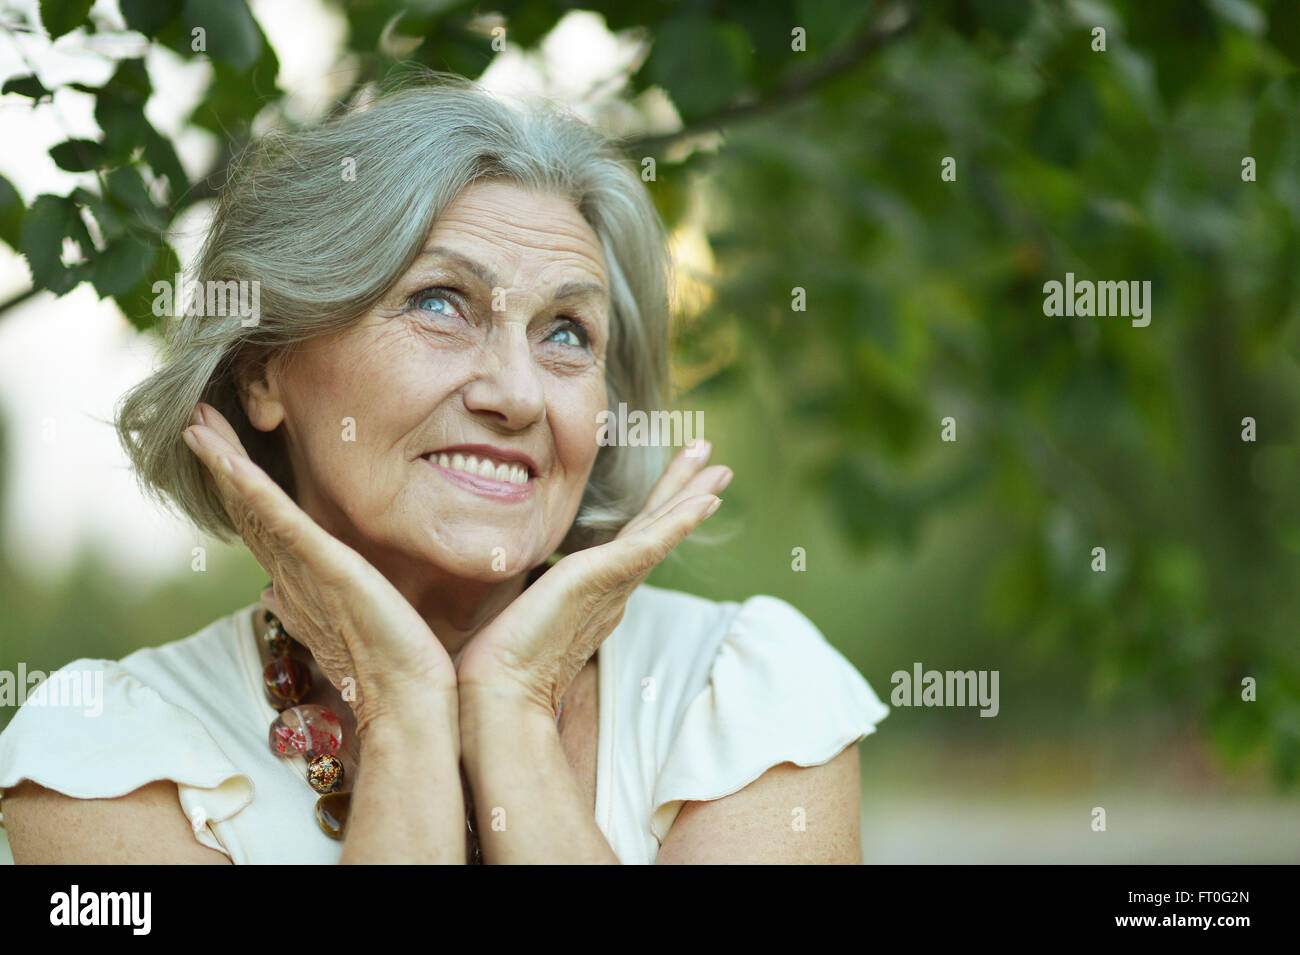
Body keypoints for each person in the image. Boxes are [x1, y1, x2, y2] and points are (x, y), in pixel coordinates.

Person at [0, 75, 888, 864]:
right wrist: (402, 709)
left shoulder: (739, 692)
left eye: (567, 333)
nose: (518, 394)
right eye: (439, 303)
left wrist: (512, 701)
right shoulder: (104, 750)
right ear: (263, 369)